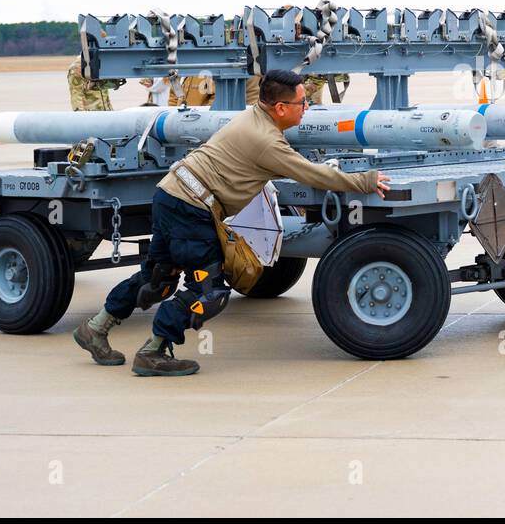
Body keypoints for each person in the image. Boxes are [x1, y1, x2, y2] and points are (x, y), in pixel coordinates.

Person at [73, 70, 390, 376]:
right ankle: (154, 352)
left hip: (171, 194)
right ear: (280, 108)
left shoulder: (254, 115)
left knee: (157, 277)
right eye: (302, 103)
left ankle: (95, 328)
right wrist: (366, 180)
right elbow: (313, 175)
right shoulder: (267, 141)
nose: (307, 108)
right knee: (207, 291)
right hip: (192, 208)